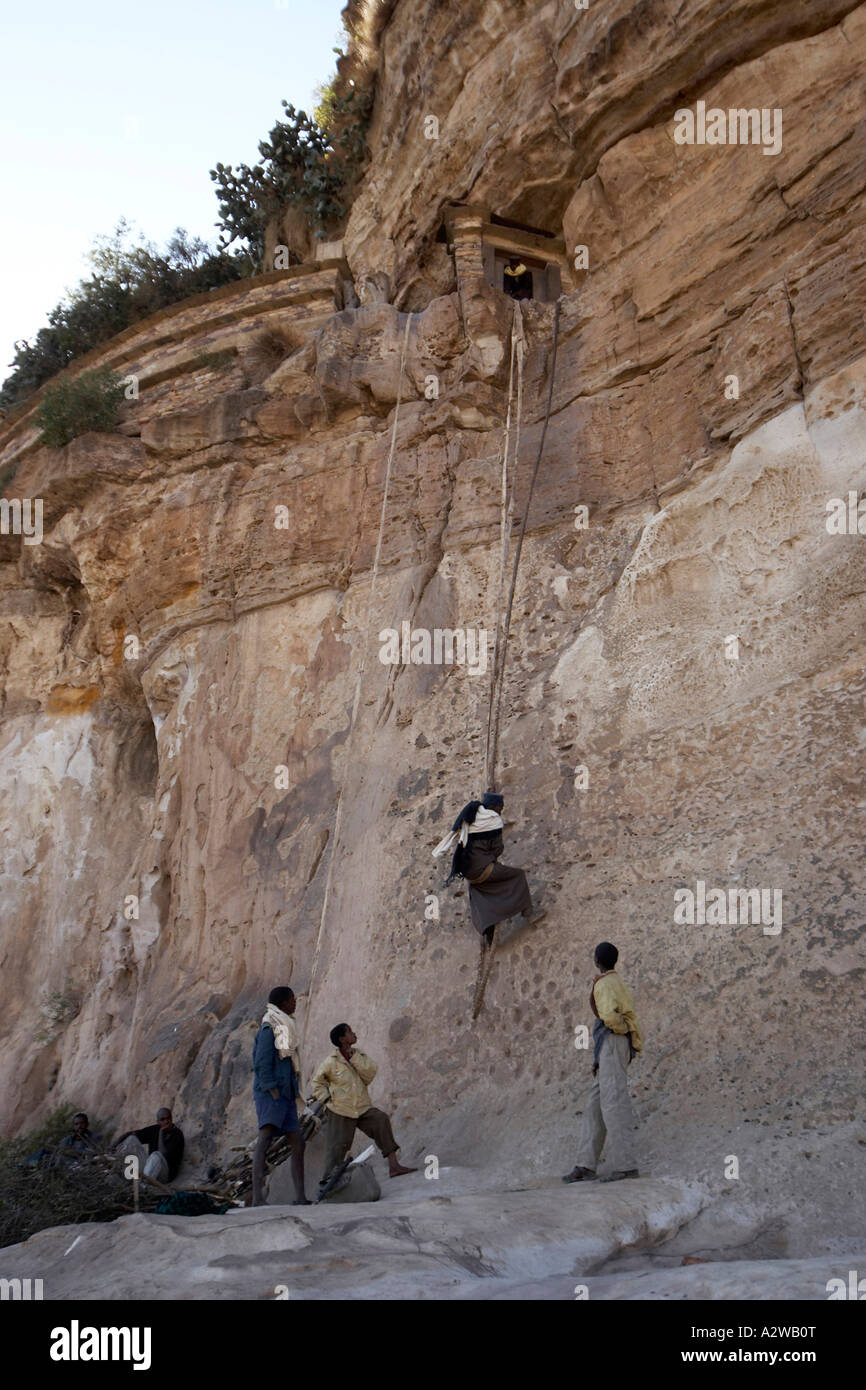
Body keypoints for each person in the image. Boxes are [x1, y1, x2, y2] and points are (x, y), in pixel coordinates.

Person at [563, 942, 643, 1184]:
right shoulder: (615, 981)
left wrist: (617, 1034)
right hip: (612, 1045)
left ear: (597, 960)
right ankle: (585, 1165)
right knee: (595, 1107)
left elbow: (610, 1017)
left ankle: (626, 1166)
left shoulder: (605, 984)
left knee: (613, 1104)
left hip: (613, 1042)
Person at [310, 1024, 416, 1188]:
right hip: (340, 1108)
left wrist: (354, 1058)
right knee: (337, 1147)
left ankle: (394, 1166)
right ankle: (328, 1184)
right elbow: (317, 1083)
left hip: (361, 1106)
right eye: (350, 1032)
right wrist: (326, 1099)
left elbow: (369, 1074)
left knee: (380, 1120)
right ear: (342, 1039)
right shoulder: (330, 1062)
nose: (354, 1034)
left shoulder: (359, 1055)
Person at [433, 790, 545, 941]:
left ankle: (489, 932)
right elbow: (497, 849)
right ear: (495, 807)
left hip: (469, 873)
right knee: (517, 875)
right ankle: (529, 914)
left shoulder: (472, 820)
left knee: (480, 891)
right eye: (501, 807)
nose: (502, 810)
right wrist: (491, 856)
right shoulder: (493, 822)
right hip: (484, 868)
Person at [252, 986, 309, 1206]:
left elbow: (286, 1060)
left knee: (297, 1141)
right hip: (272, 1093)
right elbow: (261, 1062)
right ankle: (257, 1197)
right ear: (283, 1003)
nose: (295, 1002)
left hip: (285, 1093)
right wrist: (273, 1090)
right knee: (265, 1139)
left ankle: (300, 1196)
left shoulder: (284, 1025)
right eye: (292, 999)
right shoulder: (269, 1027)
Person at [114, 1107, 184, 1183]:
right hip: (150, 1170)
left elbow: (162, 1154)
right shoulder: (155, 1129)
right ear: (158, 1122)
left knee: (156, 1155)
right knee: (131, 1139)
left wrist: (161, 1132)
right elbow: (132, 1134)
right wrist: (114, 1144)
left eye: (168, 1118)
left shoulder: (177, 1134)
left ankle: (143, 1186)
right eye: (162, 1119)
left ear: (171, 1118)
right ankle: (124, 1176)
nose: (166, 1121)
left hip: (165, 1175)